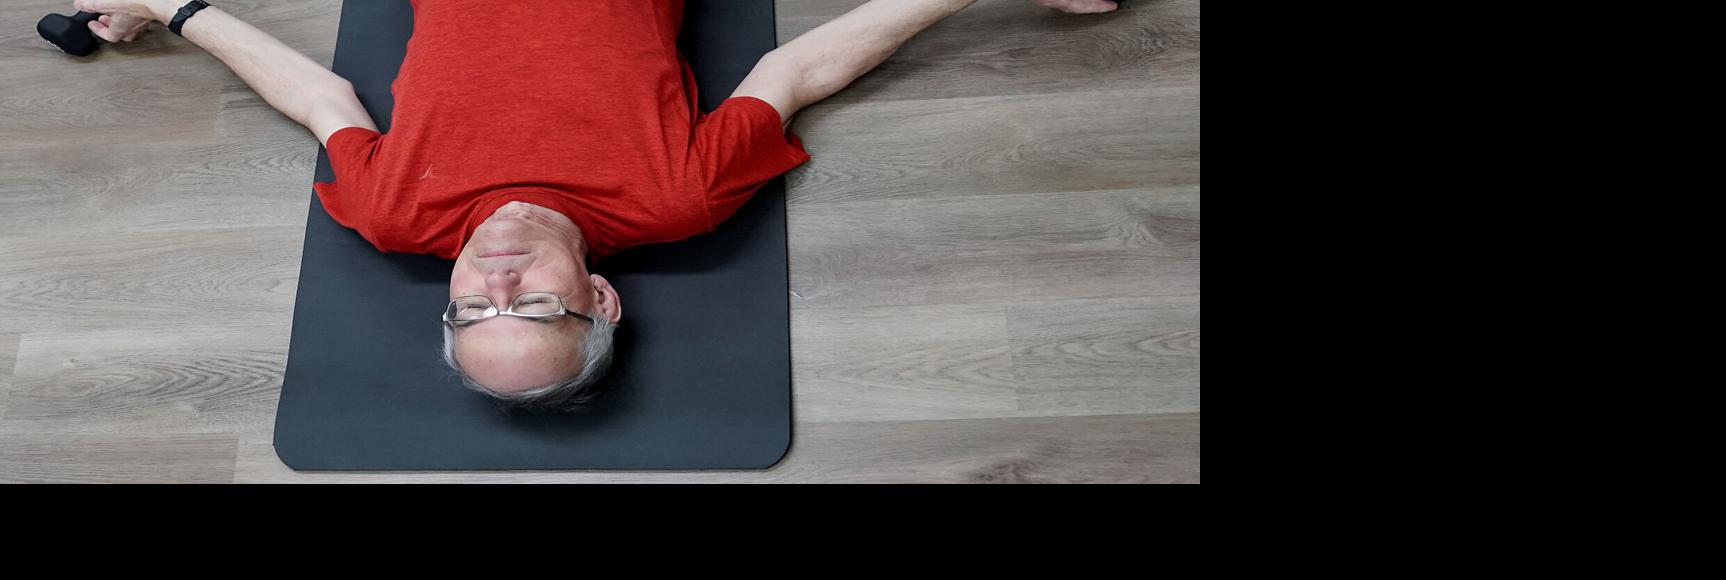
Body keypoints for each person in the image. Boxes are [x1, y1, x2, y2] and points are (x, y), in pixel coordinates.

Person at [75, 0, 1119, 409]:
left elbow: (314, 96)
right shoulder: (680, 198)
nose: (493, 282)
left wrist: (175, 5)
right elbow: (799, 71)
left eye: (471, 310)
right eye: (528, 309)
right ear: (602, 300)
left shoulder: (397, 214)